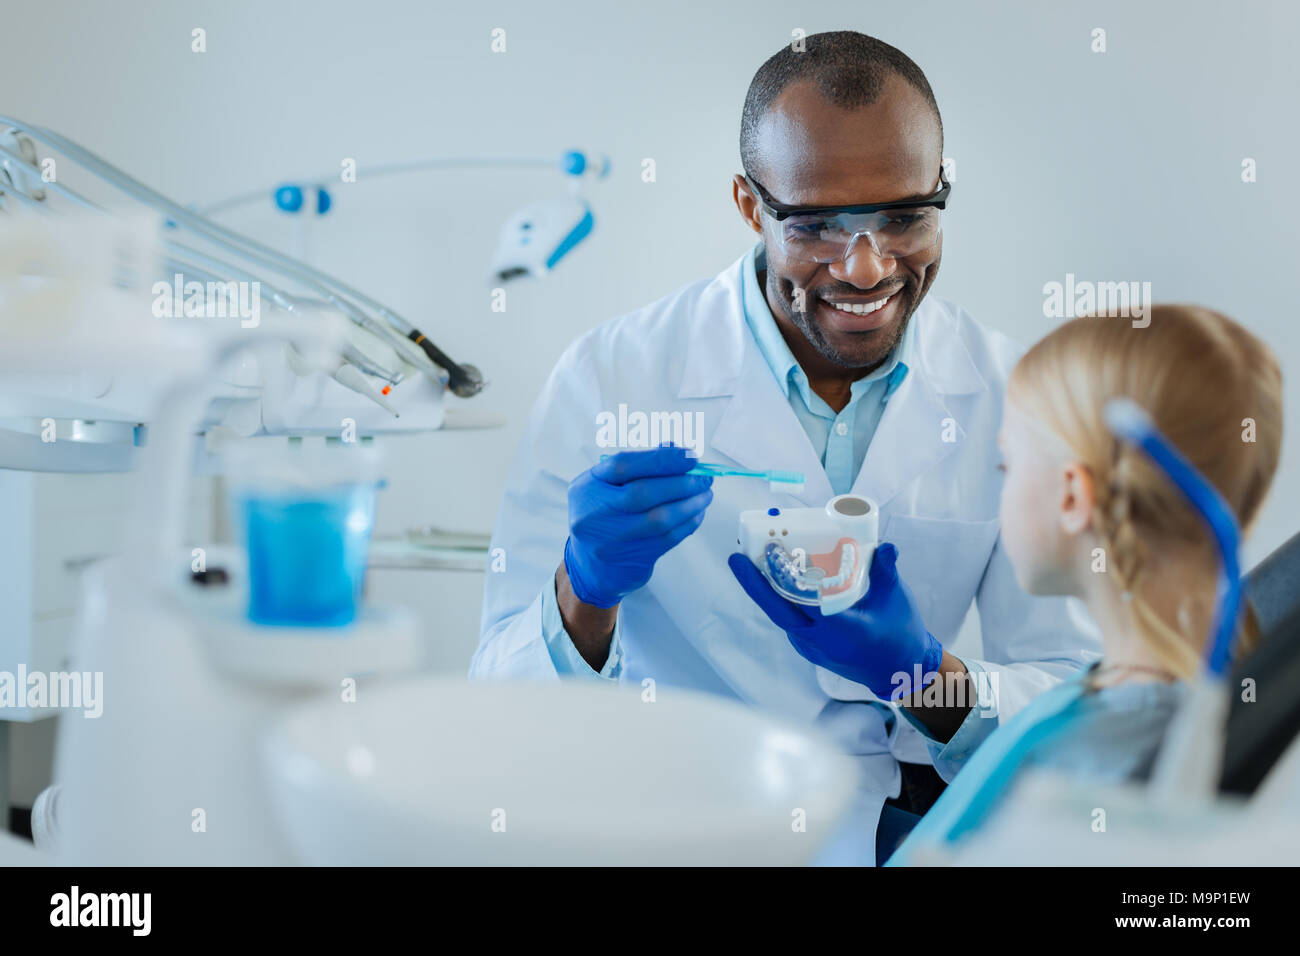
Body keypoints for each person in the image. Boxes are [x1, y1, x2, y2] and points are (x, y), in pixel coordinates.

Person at [471, 30, 1099, 863]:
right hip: (677, 828)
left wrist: (922, 677)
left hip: (905, 834)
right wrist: (583, 592)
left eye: (905, 217)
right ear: (748, 206)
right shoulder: (611, 378)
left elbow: (1087, 712)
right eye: (815, 225)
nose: (867, 268)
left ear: (942, 192)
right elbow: (497, 710)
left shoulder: (1015, 394)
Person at [860, 305, 1281, 864]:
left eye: (1006, 467)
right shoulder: (1148, 698)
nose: (999, 486)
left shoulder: (1102, 769)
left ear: (1071, 497)